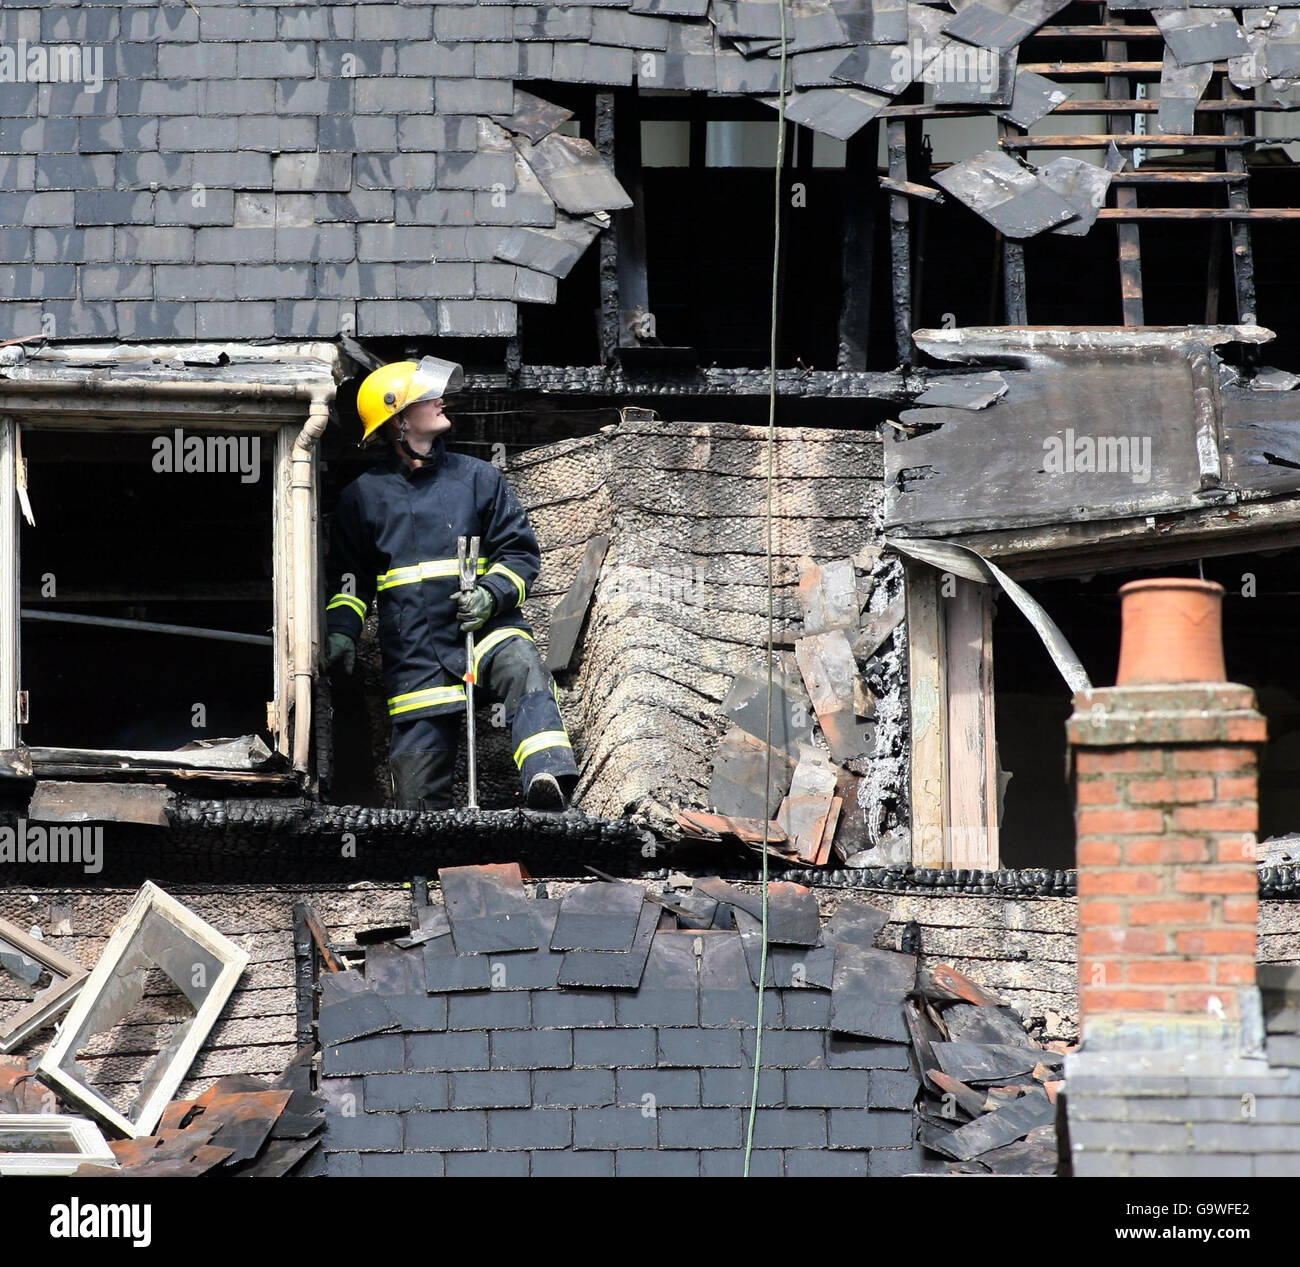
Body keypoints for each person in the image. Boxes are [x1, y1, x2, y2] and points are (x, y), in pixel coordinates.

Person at [323, 356, 578, 811]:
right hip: (415, 654)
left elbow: (519, 556)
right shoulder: (362, 497)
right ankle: (423, 874)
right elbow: (350, 578)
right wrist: (342, 628)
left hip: (485, 632)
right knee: (417, 808)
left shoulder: (479, 478)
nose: (442, 400)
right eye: (426, 397)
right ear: (398, 419)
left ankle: (548, 784)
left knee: (523, 664)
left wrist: (490, 595)